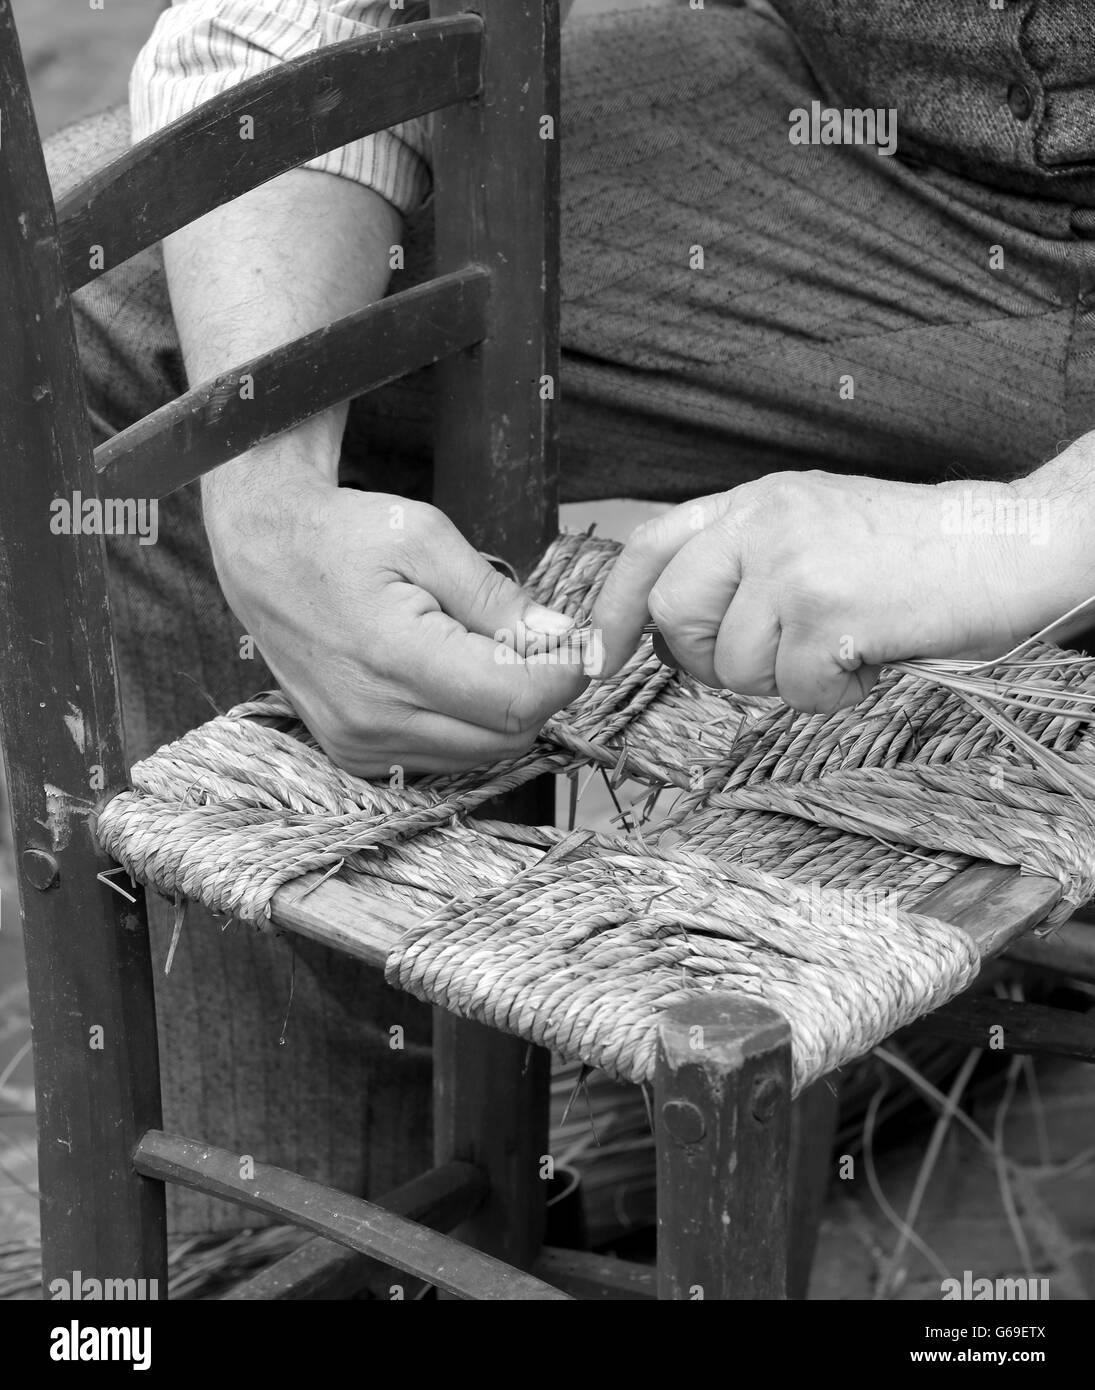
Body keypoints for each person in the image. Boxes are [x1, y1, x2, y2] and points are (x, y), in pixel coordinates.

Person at [45, 0, 1095, 1234]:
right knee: (109, 283)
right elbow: (301, 21)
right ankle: (341, 1233)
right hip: (888, 147)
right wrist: (265, 489)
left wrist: (1017, 535)